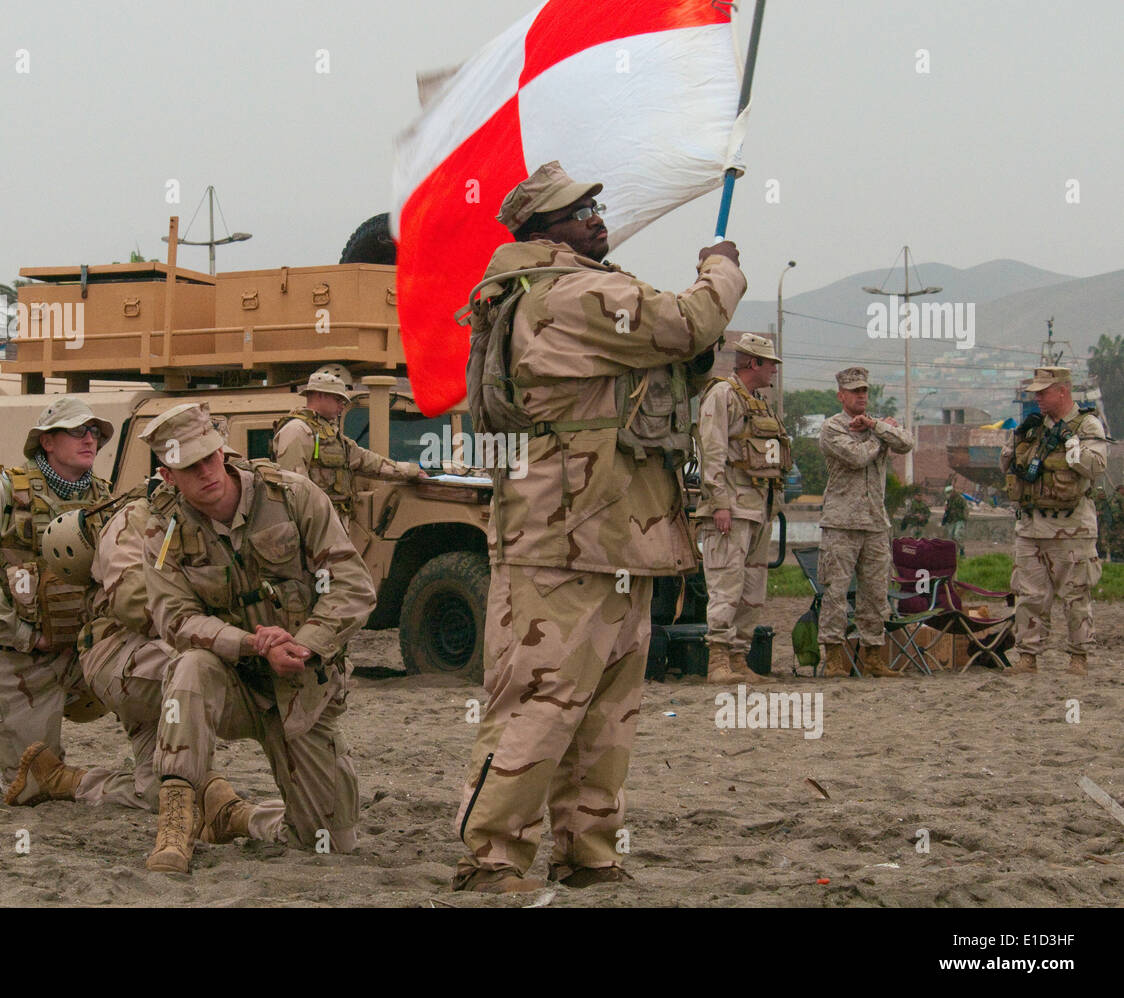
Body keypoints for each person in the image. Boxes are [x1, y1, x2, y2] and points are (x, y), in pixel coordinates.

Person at [452, 160, 746, 893]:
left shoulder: (572, 291)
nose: (598, 219)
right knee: (541, 704)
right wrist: (721, 269)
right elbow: (685, 322)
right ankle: (490, 859)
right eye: (580, 211)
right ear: (543, 231)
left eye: (595, 206)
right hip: (562, 539)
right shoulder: (569, 295)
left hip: (614, 536)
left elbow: (672, 359)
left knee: (606, 714)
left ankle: (587, 853)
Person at [139, 402, 376, 873]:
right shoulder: (164, 530)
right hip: (233, 684)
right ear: (168, 476)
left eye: (211, 457)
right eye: (190, 465)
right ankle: (176, 826)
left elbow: (353, 586)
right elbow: (176, 619)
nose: (207, 471)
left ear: (223, 451)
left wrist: (305, 643)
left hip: (302, 686)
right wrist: (250, 644)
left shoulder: (293, 497)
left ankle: (233, 815)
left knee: (328, 843)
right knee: (189, 666)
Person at [0, 397, 143, 806]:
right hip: (19, 661)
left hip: (85, 654)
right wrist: (23, 635)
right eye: (77, 431)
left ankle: (164, 776)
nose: (89, 439)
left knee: (160, 681)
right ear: (47, 442)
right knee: (28, 787)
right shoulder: (3, 495)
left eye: (94, 432)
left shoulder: (105, 499)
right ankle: (79, 780)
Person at [74, 472, 284, 840]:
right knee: (197, 668)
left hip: (156, 660)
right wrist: (222, 629)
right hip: (118, 657)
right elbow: (136, 605)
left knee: (155, 789)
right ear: (170, 479)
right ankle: (223, 804)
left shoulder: (209, 523)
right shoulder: (133, 521)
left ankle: (65, 780)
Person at [1000, 368, 1108, 675]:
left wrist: (1072, 447)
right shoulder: (1032, 426)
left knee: (1076, 595)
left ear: (1062, 391)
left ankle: (1078, 657)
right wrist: (1016, 441)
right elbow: (1008, 464)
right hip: (1031, 526)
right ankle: (1027, 656)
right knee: (1029, 595)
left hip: (1071, 528)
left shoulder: (1087, 425)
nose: (1037, 397)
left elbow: (1096, 467)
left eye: (1043, 392)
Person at [694, 332, 789, 684]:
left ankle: (738, 658)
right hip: (732, 508)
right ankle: (717, 661)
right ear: (754, 363)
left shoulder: (758, 402)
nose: (774, 371)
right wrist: (719, 503)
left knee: (752, 590)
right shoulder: (722, 395)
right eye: (770, 364)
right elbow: (712, 451)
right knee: (726, 584)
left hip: (759, 508)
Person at [817, 367, 915, 678]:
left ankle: (873, 655)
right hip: (841, 523)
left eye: (865, 391)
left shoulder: (874, 425)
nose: (861, 396)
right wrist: (879, 436)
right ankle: (833, 658)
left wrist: (874, 426)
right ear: (841, 396)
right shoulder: (832, 428)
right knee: (835, 593)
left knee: (875, 593)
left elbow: (907, 442)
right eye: (855, 391)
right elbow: (857, 457)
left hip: (875, 522)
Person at [271, 367, 426, 532]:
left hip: (333, 521)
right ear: (319, 395)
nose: (341, 406)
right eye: (338, 400)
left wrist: (412, 471)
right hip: (315, 526)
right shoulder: (297, 430)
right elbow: (293, 486)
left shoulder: (330, 433)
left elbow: (366, 460)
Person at [942, 482, 968, 554]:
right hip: (951, 520)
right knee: (951, 537)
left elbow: (965, 509)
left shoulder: (960, 499)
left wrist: (964, 518)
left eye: (949, 492)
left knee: (957, 535)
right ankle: (954, 552)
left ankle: (962, 550)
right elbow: (947, 510)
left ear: (953, 491)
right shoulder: (948, 500)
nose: (948, 494)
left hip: (959, 519)